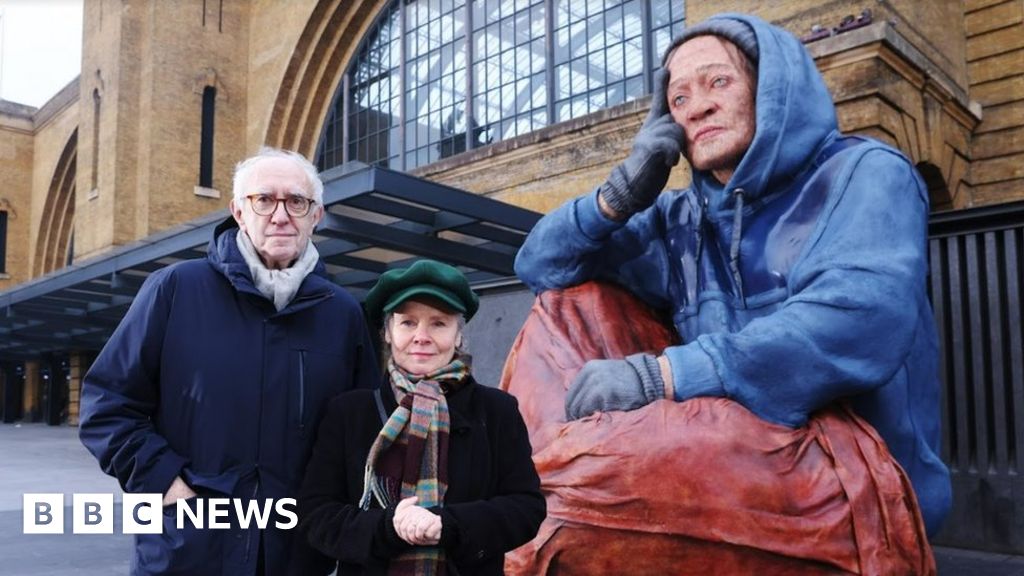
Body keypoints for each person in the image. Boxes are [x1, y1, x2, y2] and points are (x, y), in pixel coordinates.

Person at [514, 13, 951, 537]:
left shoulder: (865, 173)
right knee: (567, 311)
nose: (697, 107)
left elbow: (855, 319)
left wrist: (663, 376)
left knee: (588, 489)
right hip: (728, 454)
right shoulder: (678, 217)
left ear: (770, 90)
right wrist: (618, 196)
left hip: (857, 468)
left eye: (718, 81)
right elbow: (541, 266)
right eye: (678, 99)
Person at [78, 147, 380, 575]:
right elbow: (107, 403)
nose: (281, 215)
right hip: (187, 550)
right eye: (264, 200)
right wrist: (164, 482)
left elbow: (359, 435)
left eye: (297, 202)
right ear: (238, 211)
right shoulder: (175, 289)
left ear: (317, 216)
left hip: (295, 555)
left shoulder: (343, 313)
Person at [298, 259, 545, 575]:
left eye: (438, 323)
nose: (422, 336)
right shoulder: (348, 412)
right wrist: (389, 528)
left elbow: (526, 507)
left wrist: (447, 524)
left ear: (458, 335)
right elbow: (316, 513)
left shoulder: (497, 410)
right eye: (408, 323)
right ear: (387, 332)